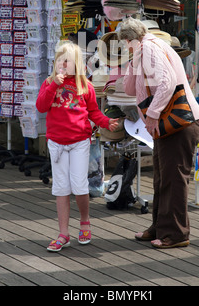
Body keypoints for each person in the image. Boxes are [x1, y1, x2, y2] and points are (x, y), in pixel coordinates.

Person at [118, 17, 199, 249]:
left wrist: (154, 114)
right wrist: (132, 61)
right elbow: (128, 88)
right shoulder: (142, 51)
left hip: (178, 123)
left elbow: (167, 83)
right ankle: (160, 227)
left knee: (173, 179)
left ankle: (176, 234)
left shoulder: (149, 48)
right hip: (172, 124)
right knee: (163, 178)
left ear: (128, 39)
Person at [36, 41, 119, 252]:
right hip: (56, 142)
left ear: (77, 64)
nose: (62, 64)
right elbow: (41, 106)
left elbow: (93, 113)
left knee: (80, 185)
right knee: (61, 188)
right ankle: (63, 233)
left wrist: (106, 122)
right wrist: (54, 84)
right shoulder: (49, 83)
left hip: (80, 141)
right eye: (59, 60)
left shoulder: (85, 86)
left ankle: (84, 220)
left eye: (67, 61)